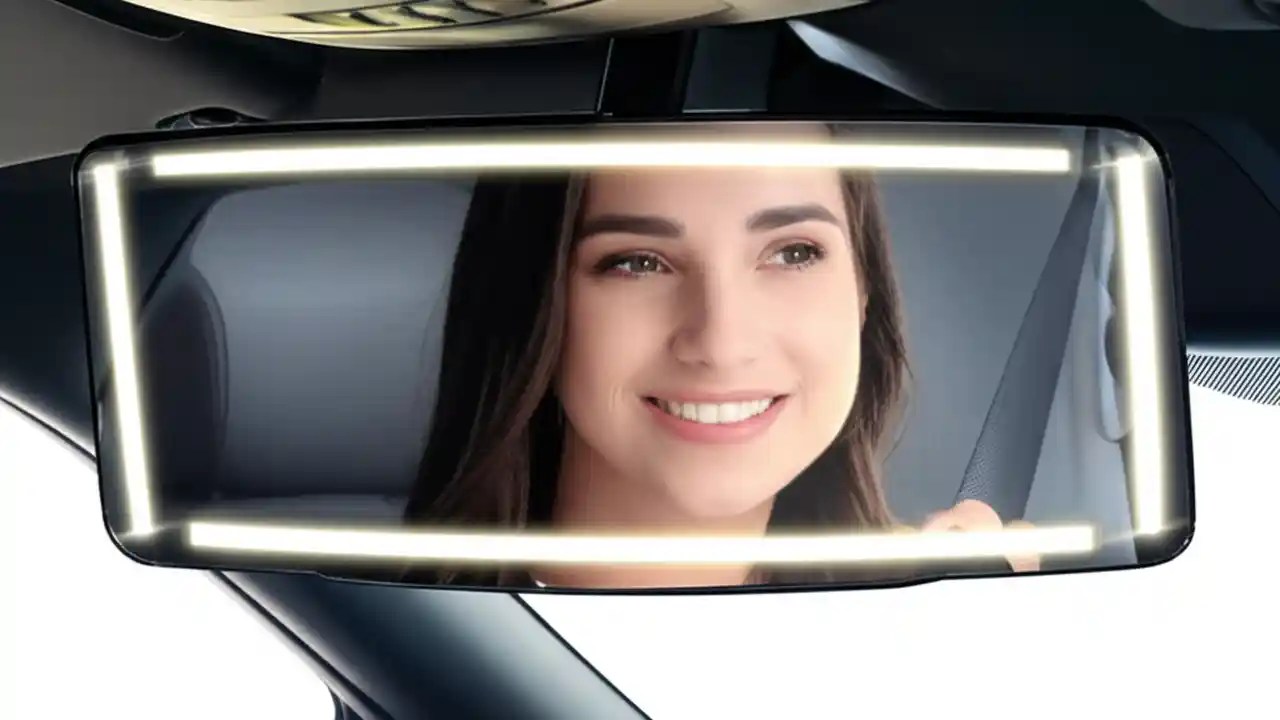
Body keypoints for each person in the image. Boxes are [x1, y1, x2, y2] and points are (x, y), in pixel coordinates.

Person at [402, 122, 1036, 589]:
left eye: (793, 253)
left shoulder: (929, 613)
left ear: (864, 293)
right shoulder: (400, 656)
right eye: (637, 263)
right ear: (530, 302)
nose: (722, 343)